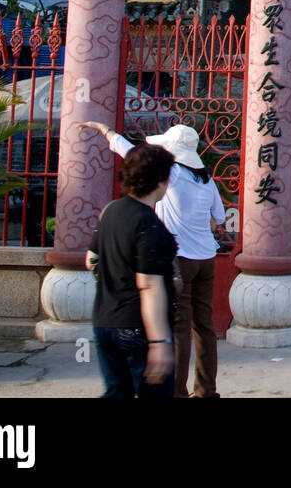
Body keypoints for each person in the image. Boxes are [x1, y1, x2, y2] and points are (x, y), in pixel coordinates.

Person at [83, 121, 226, 398]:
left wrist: (108, 133)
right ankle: (207, 391)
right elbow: (217, 219)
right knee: (204, 327)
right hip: (206, 258)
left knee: (180, 328)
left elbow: (131, 153)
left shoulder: (170, 172)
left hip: (180, 259)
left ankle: (177, 393)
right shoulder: (207, 180)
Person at [84, 140, 178, 398]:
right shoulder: (149, 226)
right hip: (137, 328)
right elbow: (149, 286)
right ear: (159, 181)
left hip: (104, 321)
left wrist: (114, 277)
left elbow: (91, 259)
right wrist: (159, 342)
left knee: (117, 392)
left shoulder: (110, 211)